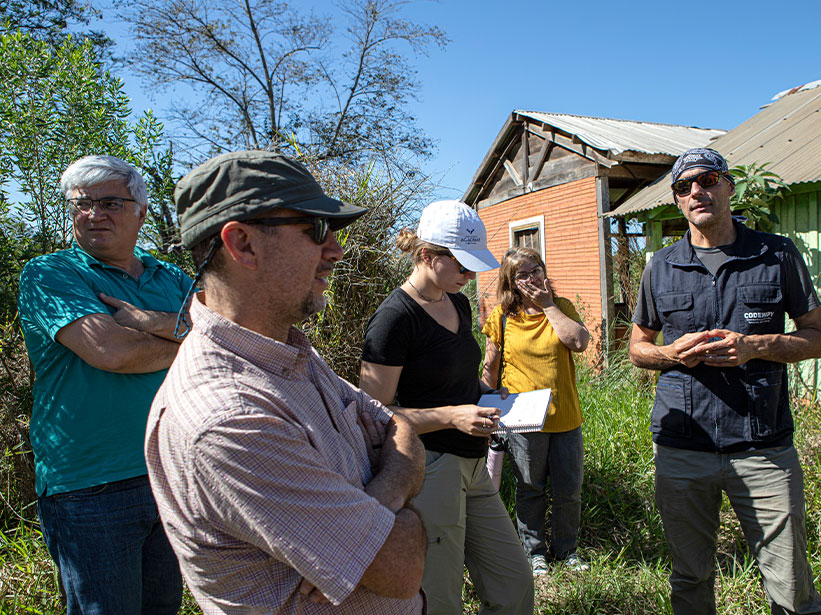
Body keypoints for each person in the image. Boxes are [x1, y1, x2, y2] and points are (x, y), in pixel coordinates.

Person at [145, 150, 429, 614]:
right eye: (316, 228)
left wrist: (384, 498)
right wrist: (401, 517)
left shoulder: (286, 353)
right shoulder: (227, 417)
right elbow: (400, 567)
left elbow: (400, 430)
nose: (335, 249)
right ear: (243, 244)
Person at [628, 148, 821, 615]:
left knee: (791, 583)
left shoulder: (775, 254)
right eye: (684, 187)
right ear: (678, 201)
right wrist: (670, 354)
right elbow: (638, 348)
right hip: (683, 447)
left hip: (764, 449)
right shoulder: (661, 265)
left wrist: (756, 346)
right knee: (690, 576)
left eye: (708, 180)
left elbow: (817, 339)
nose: (697, 191)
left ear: (729, 186)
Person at [18, 155, 189, 614]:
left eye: (111, 202)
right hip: (90, 486)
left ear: (142, 211)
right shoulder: (50, 274)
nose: (94, 214)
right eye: (82, 204)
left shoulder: (169, 276)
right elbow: (112, 352)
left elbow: (228, 334)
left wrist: (142, 321)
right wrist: (187, 340)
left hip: (171, 475)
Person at [359, 200, 533, 615]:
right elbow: (371, 414)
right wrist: (453, 416)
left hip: (473, 466)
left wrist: (486, 394)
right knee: (439, 597)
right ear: (426, 255)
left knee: (515, 584)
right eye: (461, 264)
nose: (470, 275)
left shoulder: (457, 302)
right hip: (430, 467)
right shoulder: (393, 320)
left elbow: (452, 374)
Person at [480, 246, 590, 577]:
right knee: (530, 488)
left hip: (566, 417)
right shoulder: (501, 317)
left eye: (536, 270)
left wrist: (547, 305)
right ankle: (534, 552)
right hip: (523, 419)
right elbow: (489, 369)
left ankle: (567, 550)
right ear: (511, 283)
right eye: (522, 275)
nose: (532, 279)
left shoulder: (562, 307)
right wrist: (484, 402)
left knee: (569, 490)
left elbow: (579, 342)